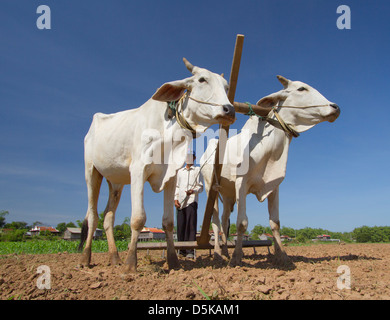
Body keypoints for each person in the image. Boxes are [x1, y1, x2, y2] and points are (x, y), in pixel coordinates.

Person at [174, 151, 203, 259]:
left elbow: (200, 186)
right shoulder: (180, 172)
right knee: (180, 225)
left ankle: (190, 251)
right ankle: (181, 250)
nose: (189, 158)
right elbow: (177, 186)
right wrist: (175, 199)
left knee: (190, 226)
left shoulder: (197, 170)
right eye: (187, 157)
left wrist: (193, 191)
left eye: (191, 157)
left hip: (191, 200)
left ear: (194, 158)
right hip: (180, 202)